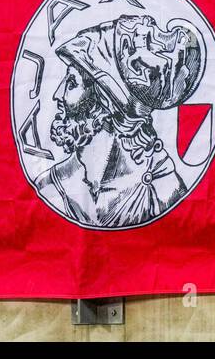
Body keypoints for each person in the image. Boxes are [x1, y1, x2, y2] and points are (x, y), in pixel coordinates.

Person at [36, 15, 203, 228]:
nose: (57, 95)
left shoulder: (162, 191)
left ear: (106, 103)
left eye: (71, 83)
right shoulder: (49, 185)